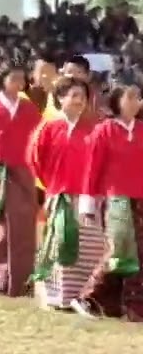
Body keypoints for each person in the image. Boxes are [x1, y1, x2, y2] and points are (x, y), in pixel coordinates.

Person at [29, 77, 102, 309]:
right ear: (61, 98)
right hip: (59, 194)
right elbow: (35, 159)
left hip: (88, 196)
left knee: (89, 246)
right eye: (74, 95)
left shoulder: (93, 128)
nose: (79, 101)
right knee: (60, 244)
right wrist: (51, 185)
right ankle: (55, 295)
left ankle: (81, 294)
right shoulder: (49, 127)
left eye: (83, 96)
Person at [73, 84, 143, 320]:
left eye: (138, 98)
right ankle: (88, 296)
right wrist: (87, 203)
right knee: (119, 251)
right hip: (116, 200)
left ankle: (130, 306)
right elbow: (92, 169)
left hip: (140, 199)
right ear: (117, 101)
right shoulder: (105, 130)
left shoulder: (141, 129)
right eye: (130, 97)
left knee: (139, 254)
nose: (135, 102)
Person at [0, 65, 43, 296]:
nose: (18, 82)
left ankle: (21, 276)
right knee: (2, 221)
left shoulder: (29, 108)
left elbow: (37, 139)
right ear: (2, 80)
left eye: (21, 79)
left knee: (24, 221)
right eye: (12, 78)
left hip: (24, 169)